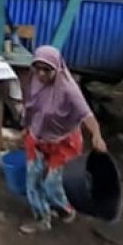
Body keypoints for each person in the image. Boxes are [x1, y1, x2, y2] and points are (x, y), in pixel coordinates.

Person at [20, 46, 107, 233]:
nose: (42, 74)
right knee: (33, 180)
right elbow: (30, 106)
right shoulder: (33, 80)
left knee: (51, 184)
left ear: (57, 69)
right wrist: (26, 127)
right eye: (38, 68)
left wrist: (97, 135)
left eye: (47, 70)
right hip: (37, 138)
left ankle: (66, 207)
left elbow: (87, 115)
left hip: (63, 142)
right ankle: (42, 217)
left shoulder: (68, 90)